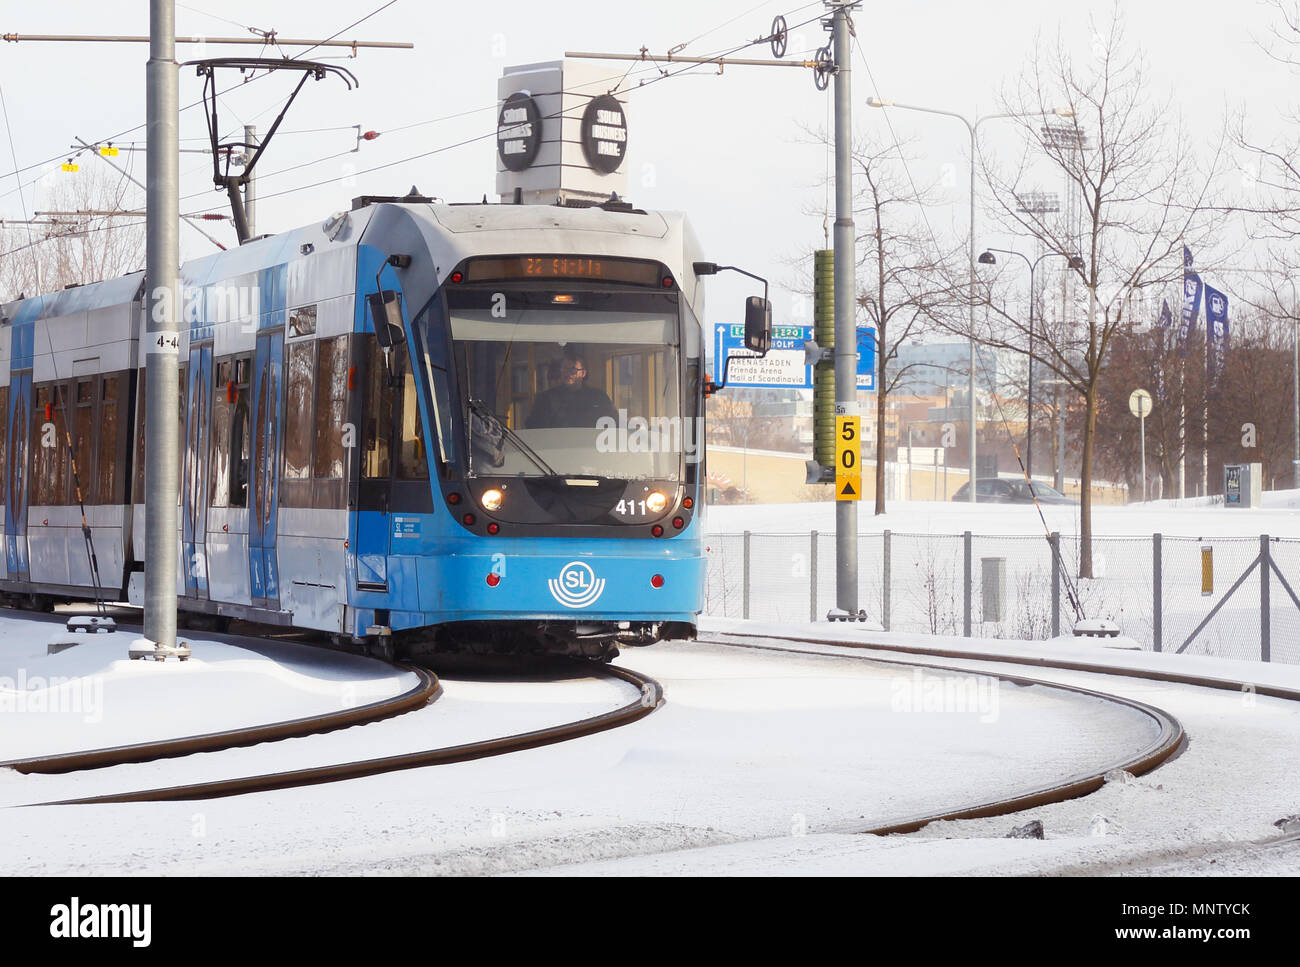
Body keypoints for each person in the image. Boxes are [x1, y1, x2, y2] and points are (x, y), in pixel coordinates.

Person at [527, 351, 616, 429]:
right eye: (565, 369)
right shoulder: (545, 399)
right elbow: (534, 428)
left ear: (583, 373)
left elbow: (613, 422)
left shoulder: (598, 397)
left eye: (573, 370)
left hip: (589, 446)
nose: (568, 373)